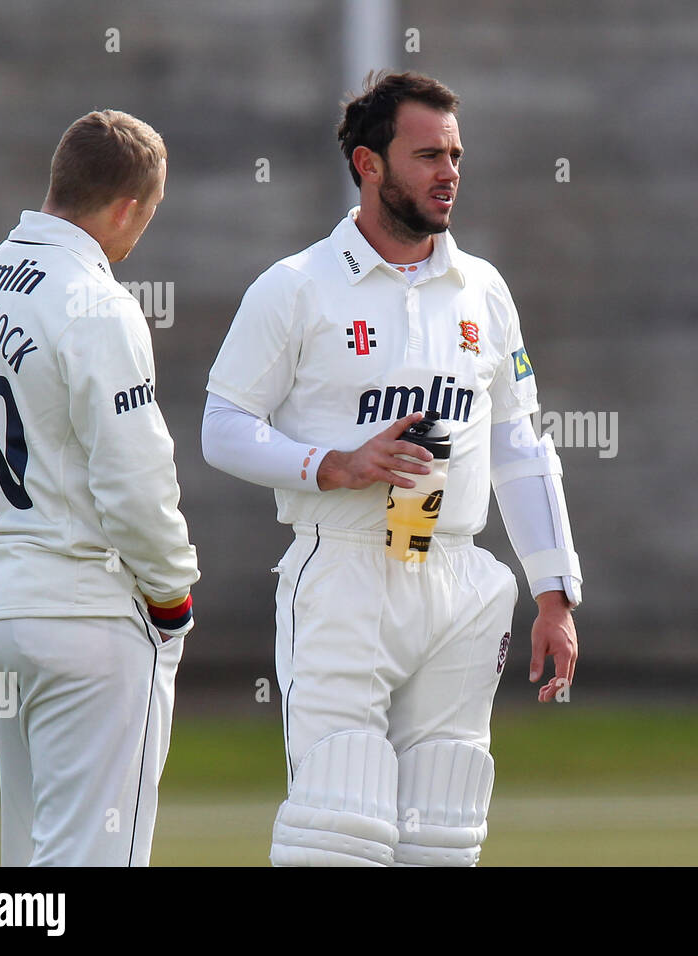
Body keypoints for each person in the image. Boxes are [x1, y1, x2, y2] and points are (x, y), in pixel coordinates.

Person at [202, 71, 582, 867]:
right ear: (368, 165)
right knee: (336, 829)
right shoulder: (296, 287)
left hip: (457, 582)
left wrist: (554, 592)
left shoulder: (482, 288)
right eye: (426, 156)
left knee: (441, 837)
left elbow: (519, 442)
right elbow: (223, 428)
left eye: (455, 155)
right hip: (343, 575)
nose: (448, 173)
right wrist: (331, 464)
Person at [0, 110, 199, 866]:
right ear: (126, 208)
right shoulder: (98, 300)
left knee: (33, 873)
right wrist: (173, 595)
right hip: (83, 611)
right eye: (145, 216)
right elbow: (134, 476)